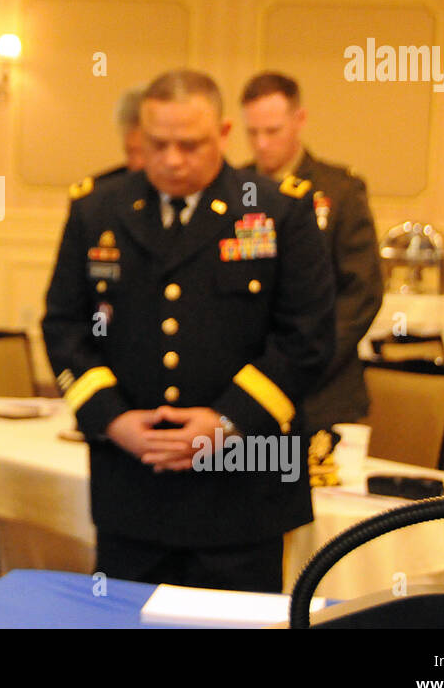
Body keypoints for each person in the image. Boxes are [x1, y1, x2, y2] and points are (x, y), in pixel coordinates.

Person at [43, 69, 335, 592]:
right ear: (139, 138)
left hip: (244, 489)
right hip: (133, 486)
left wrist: (224, 422)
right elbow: (64, 326)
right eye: (157, 144)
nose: (172, 159)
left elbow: (306, 339)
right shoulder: (97, 209)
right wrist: (112, 420)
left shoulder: (279, 209)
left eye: (190, 144)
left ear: (223, 134)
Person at [238, 72, 383, 433]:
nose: (262, 144)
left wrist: (303, 360)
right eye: (252, 133)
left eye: (272, 131)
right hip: (242, 388)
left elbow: (361, 292)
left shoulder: (340, 190)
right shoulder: (234, 190)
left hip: (322, 392)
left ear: (299, 121)